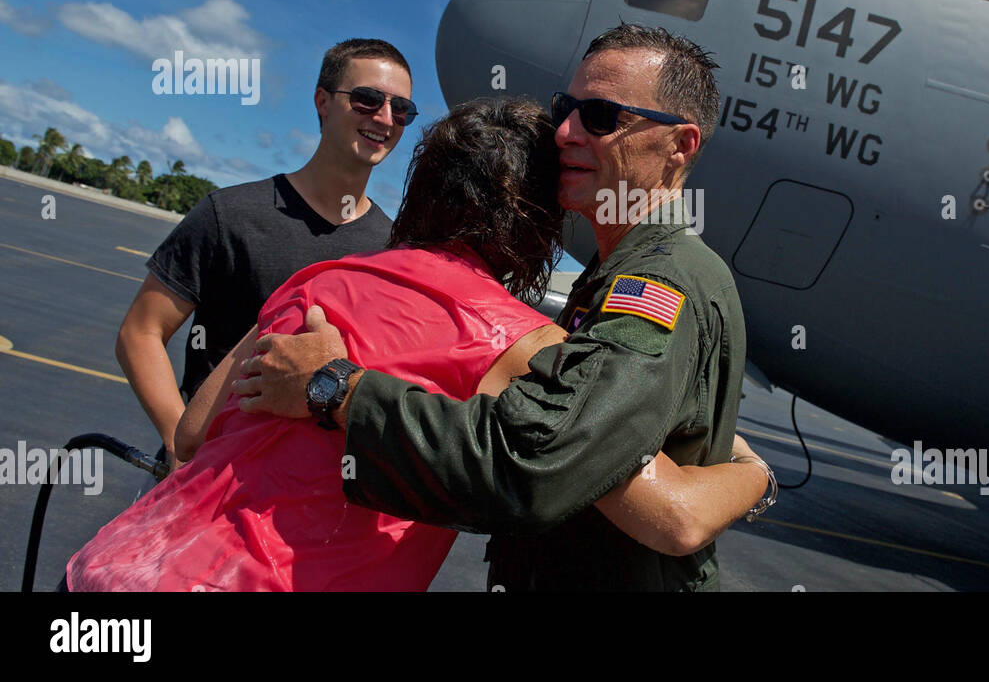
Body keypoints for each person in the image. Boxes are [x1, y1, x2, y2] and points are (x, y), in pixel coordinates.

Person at [66, 98, 767, 592]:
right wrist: (748, 468)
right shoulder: (524, 343)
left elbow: (191, 433)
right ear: (532, 220)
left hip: (118, 566)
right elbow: (662, 506)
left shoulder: (318, 280)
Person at [238, 23, 767, 591]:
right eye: (566, 108)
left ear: (680, 145)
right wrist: (750, 476)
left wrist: (337, 390)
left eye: (602, 117)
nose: (563, 131)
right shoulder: (615, 275)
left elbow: (532, 461)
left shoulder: (660, 282)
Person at [116, 38, 413, 469]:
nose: (385, 118)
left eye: (401, 108)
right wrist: (181, 448)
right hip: (205, 478)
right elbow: (139, 333)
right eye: (367, 100)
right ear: (323, 102)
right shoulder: (230, 214)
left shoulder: (393, 251)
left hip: (306, 496)